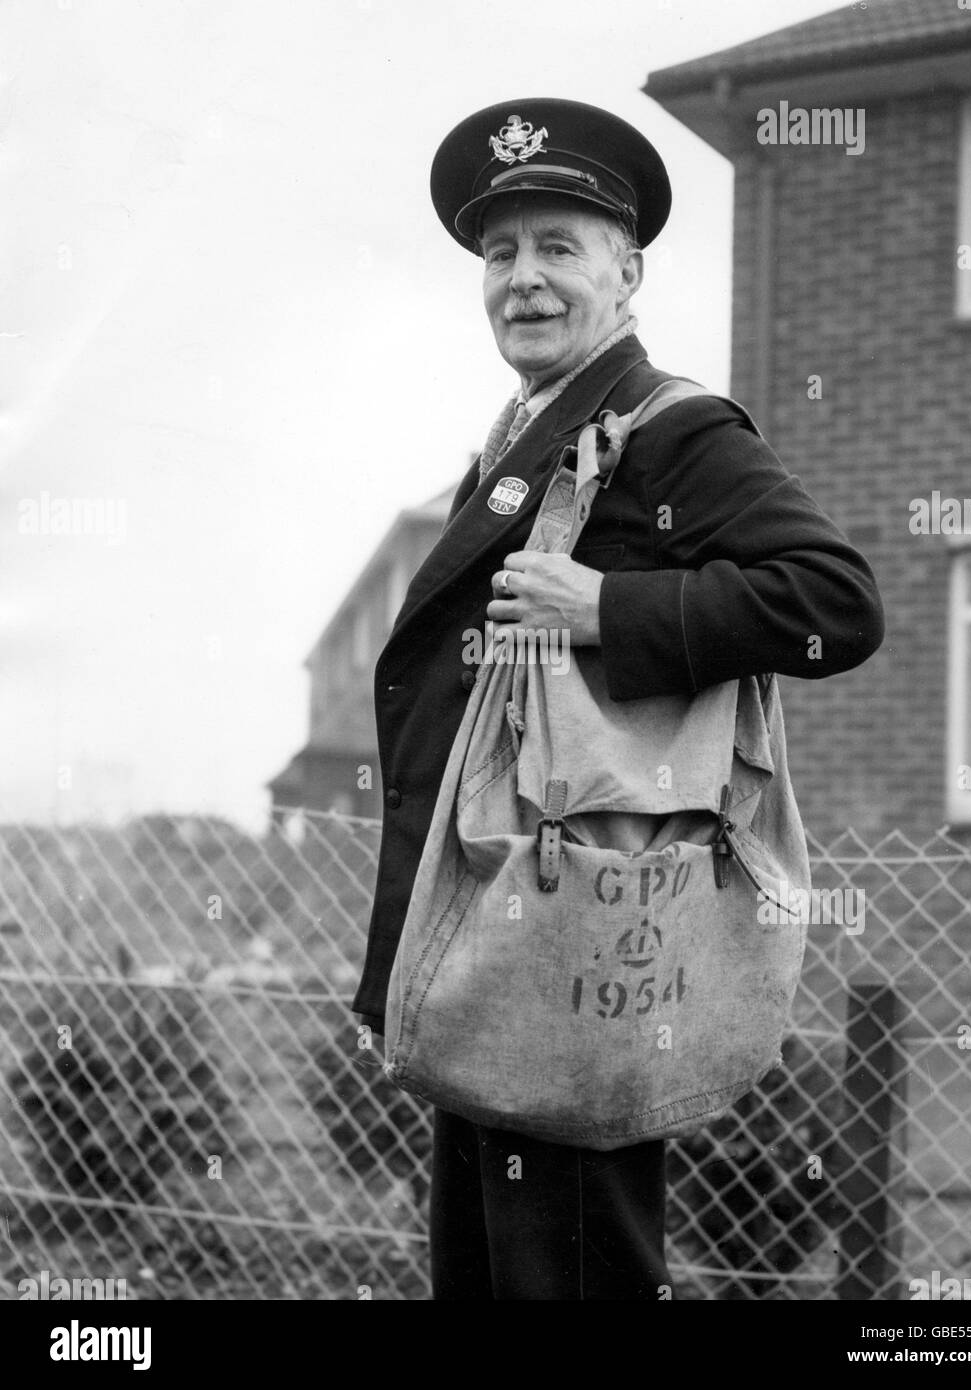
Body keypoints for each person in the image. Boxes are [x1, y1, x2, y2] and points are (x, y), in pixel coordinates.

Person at [352, 97, 884, 1300]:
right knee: (489, 1275)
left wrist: (608, 613)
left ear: (628, 270)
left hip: (583, 936)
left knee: (568, 1278)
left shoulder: (670, 430)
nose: (522, 281)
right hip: (496, 925)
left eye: (558, 247)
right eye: (500, 254)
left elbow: (837, 602)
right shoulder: (524, 439)